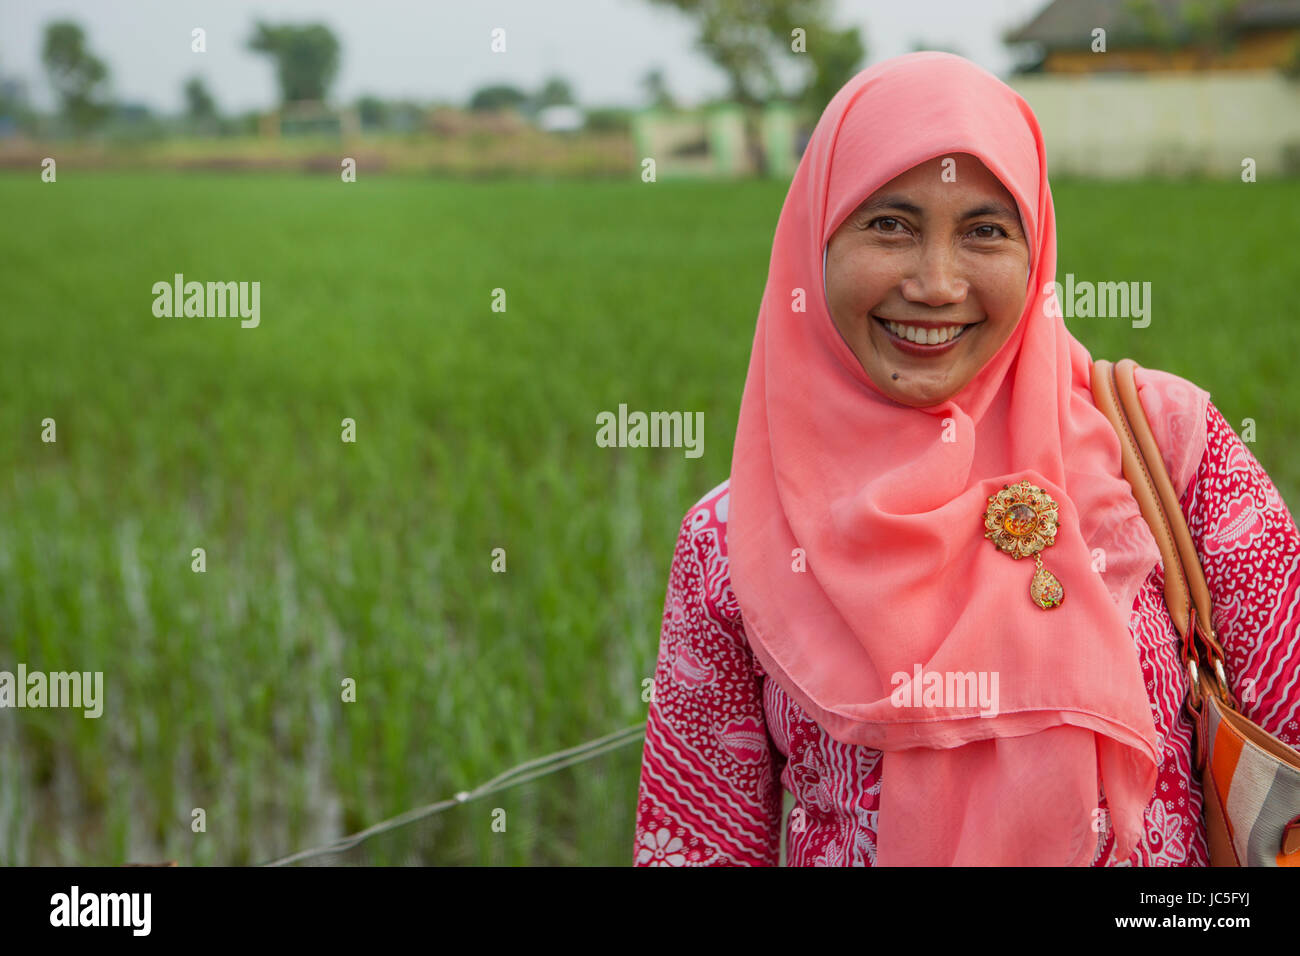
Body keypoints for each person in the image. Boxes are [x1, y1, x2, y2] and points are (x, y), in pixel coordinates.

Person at [633, 51, 1300, 866]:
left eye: (985, 230)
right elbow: (695, 847)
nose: (937, 284)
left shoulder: (1170, 447)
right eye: (890, 225)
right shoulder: (733, 540)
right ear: (817, 240)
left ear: (1036, 249)